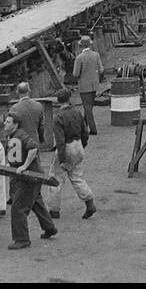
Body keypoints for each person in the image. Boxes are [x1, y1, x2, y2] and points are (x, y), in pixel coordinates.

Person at [3, 113, 58, 250]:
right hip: (28, 177)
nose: (5, 123)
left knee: (18, 207)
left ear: (15, 124)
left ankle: (22, 239)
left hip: (30, 176)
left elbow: (33, 148)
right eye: (5, 121)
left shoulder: (21, 135)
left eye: (8, 122)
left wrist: (24, 166)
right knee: (36, 203)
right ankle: (49, 228)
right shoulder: (12, 136)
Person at [52, 87, 96, 219]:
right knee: (77, 177)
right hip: (78, 145)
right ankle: (89, 202)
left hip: (67, 146)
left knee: (56, 178)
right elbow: (85, 132)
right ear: (69, 98)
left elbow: (60, 140)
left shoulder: (58, 117)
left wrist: (62, 159)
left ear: (58, 101)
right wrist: (83, 145)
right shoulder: (77, 112)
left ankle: (54, 209)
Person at [72, 36, 104, 136]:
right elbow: (101, 69)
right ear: (90, 44)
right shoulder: (96, 55)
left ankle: (93, 129)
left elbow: (75, 74)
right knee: (89, 106)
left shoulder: (79, 58)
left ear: (80, 46)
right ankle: (84, 126)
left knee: (87, 108)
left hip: (84, 86)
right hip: (94, 85)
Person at [9, 81, 46, 145]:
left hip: (20, 142)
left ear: (17, 92)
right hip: (34, 140)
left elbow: (11, 128)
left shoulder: (14, 109)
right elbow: (41, 126)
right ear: (29, 91)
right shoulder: (38, 106)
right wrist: (41, 138)